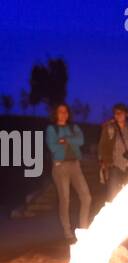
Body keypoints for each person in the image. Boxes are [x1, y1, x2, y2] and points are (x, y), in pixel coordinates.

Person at [45, 103, 91, 243]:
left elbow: (81, 140)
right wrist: (71, 140)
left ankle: (83, 229)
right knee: (65, 200)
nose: (63, 114)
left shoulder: (74, 127)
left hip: (75, 165)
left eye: (65, 111)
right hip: (60, 166)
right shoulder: (51, 129)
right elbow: (53, 146)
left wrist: (64, 140)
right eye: (60, 111)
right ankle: (67, 232)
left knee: (86, 197)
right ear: (56, 114)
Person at [98, 103, 128, 198]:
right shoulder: (109, 128)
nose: (118, 115)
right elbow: (102, 146)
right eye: (116, 113)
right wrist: (104, 162)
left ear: (126, 114)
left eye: (120, 112)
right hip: (114, 165)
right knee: (112, 193)